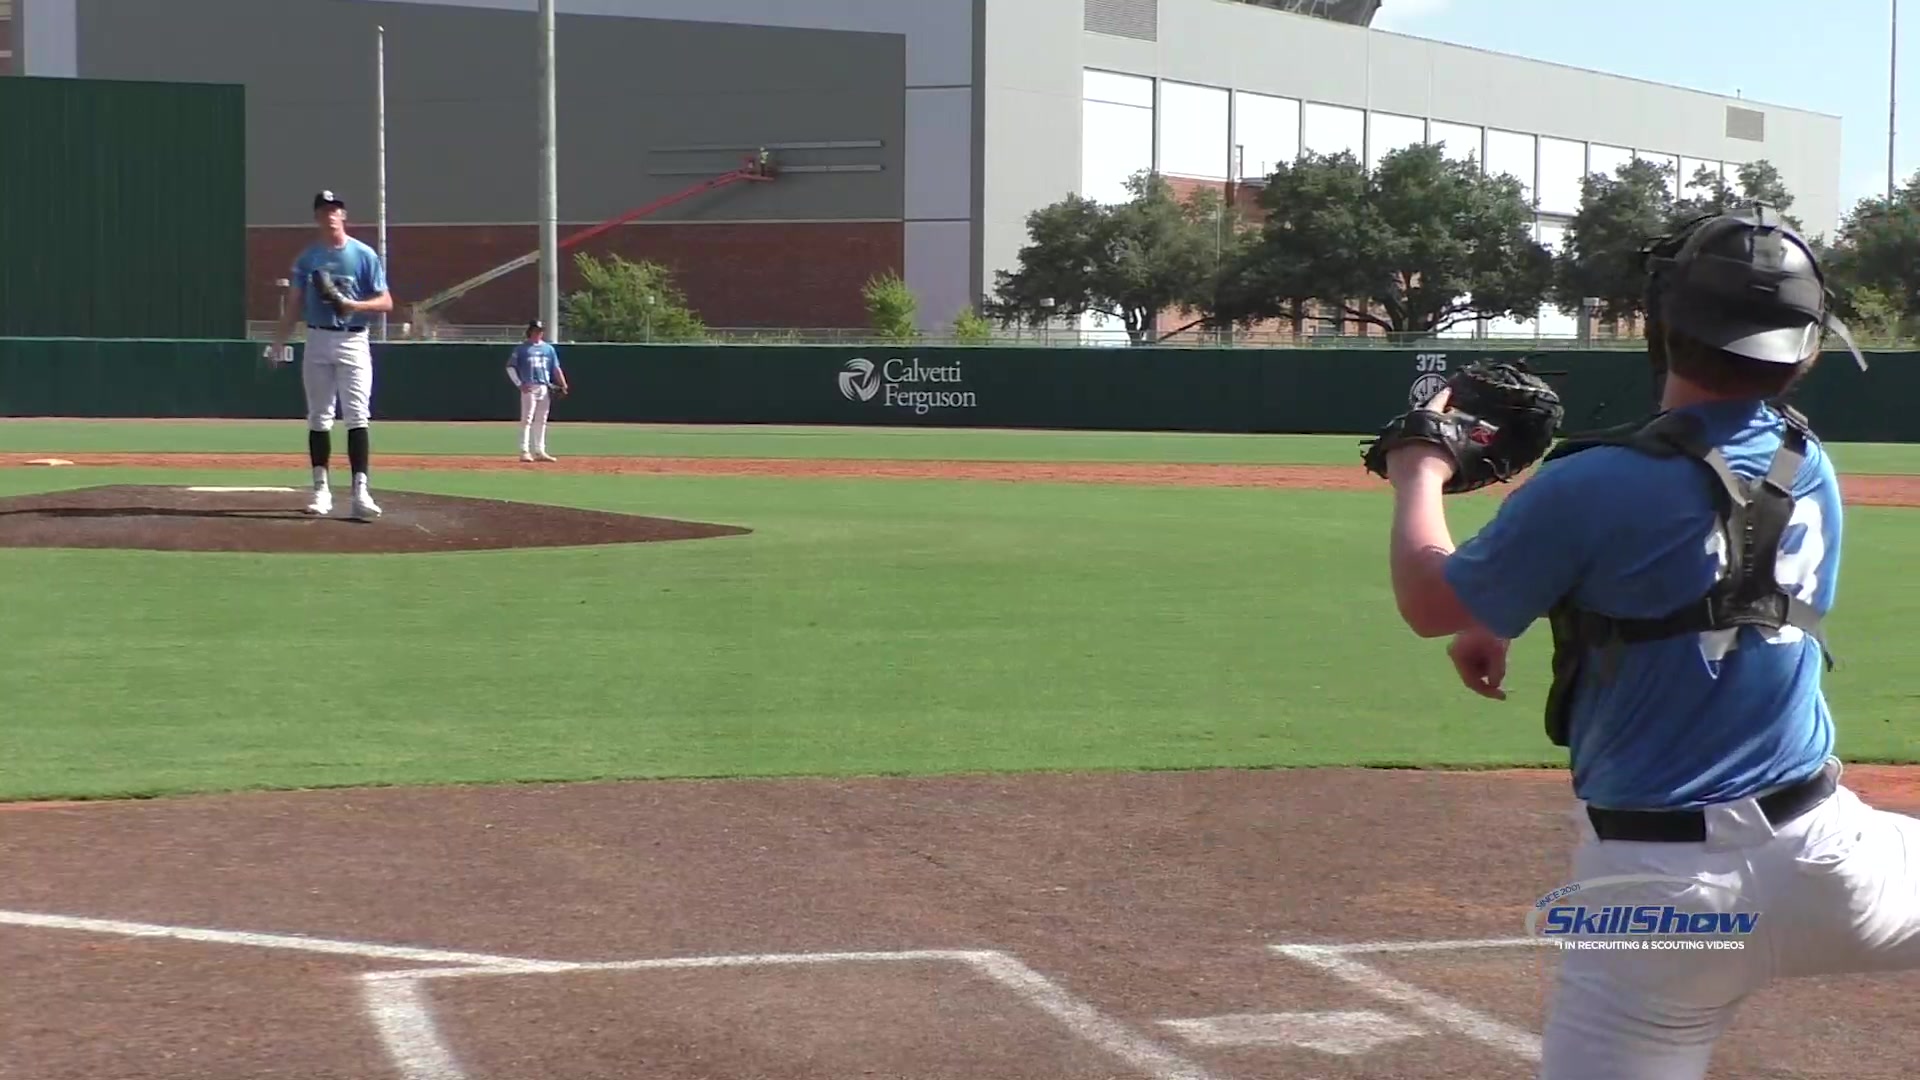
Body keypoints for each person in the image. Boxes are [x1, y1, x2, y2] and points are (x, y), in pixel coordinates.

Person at [1378, 205, 1915, 1080]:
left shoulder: (1590, 486)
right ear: (1806, 346)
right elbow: (1718, 581)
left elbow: (1428, 600)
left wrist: (1419, 470)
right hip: (1831, 862)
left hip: (1654, 906)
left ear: (1663, 328)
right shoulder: (1805, 460)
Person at [269, 190, 392, 520]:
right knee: (319, 417)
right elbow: (294, 303)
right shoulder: (308, 258)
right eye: (324, 210)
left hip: (354, 339)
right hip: (318, 338)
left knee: (357, 415)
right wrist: (278, 341)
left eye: (335, 209)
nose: (330, 214)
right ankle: (321, 490)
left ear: (344, 214)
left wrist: (354, 305)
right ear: (317, 217)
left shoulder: (364, 255)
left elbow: (386, 302)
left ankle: (360, 491)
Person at [506, 319, 569, 462]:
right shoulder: (522, 349)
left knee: (541, 420)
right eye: (535, 330)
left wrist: (563, 384)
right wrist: (519, 383)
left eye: (540, 330)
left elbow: (555, 368)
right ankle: (524, 451)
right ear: (530, 331)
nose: (538, 333)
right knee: (527, 419)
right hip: (529, 387)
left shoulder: (548, 349)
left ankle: (540, 451)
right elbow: (510, 367)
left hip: (544, 386)